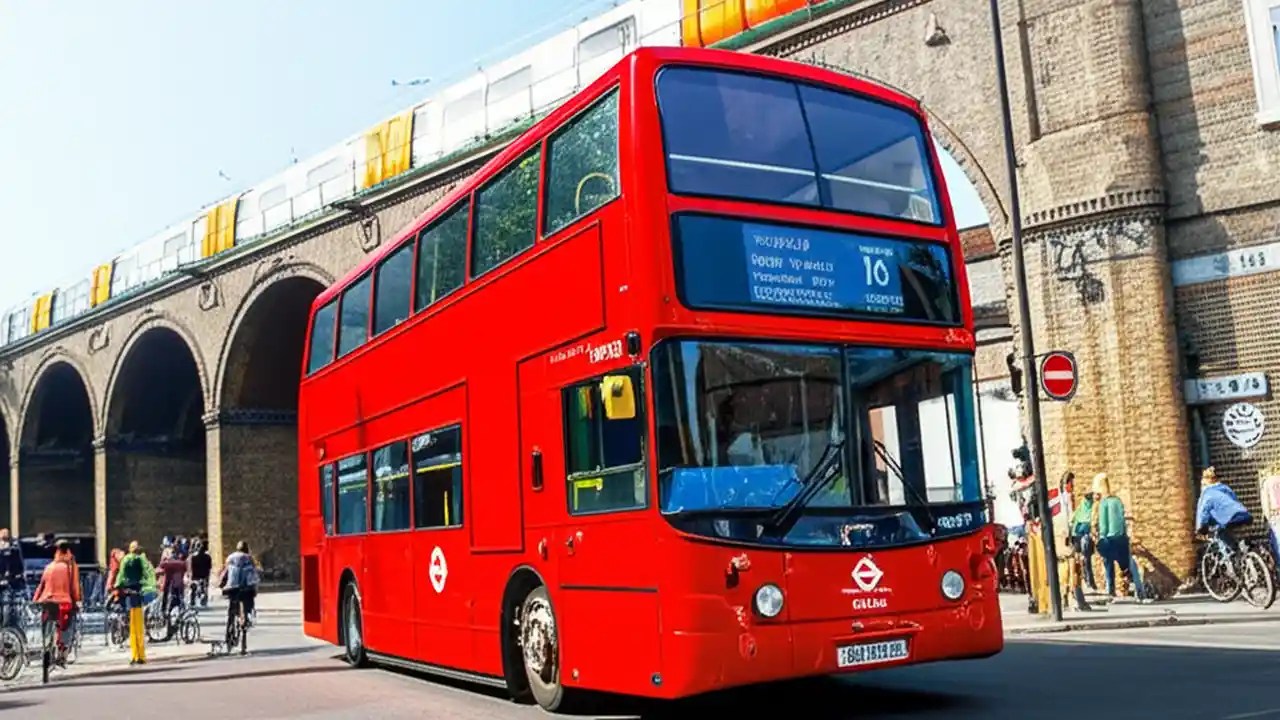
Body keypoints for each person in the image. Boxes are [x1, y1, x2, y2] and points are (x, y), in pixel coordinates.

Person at [31, 540, 81, 665]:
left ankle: (46, 646)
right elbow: (74, 587)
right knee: (67, 626)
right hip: (64, 602)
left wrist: (35, 600)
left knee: (47, 621)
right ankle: (63, 653)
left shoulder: (49, 566)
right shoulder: (70, 567)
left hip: (47, 601)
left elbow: (41, 585)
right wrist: (77, 601)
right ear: (68, 552)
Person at [114, 541, 154, 665]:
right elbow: (148, 575)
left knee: (132, 626)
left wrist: (117, 586)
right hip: (139, 593)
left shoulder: (125, 560)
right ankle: (142, 655)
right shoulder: (142, 560)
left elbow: (120, 576)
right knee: (140, 626)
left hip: (130, 594)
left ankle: (135, 655)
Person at [1093, 472, 1133, 598]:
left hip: (1108, 538)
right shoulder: (1117, 500)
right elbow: (1122, 519)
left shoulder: (1103, 503)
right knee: (1124, 565)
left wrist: (1101, 537)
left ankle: (1111, 589)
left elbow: (1103, 524)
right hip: (1121, 537)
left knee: (1108, 564)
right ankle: (1126, 588)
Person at [1195, 467, 1253, 550]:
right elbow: (1234, 501)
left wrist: (1201, 529)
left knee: (1221, 533)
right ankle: (1246, 552)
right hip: (1244, 514)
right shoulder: (1225, 488)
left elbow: (1203, 512)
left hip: (1230, 518)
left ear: (1204, 482)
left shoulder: (1207, 493)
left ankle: (1234, 552)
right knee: (1231, 533)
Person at [218, 541, 260, 650]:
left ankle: (228, 635)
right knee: (247, 607)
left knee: (231, 612)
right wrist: (255, 589)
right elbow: (254, 575)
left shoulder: (230, 558)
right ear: (246, 549)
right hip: (246, 588)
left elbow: (224, 573)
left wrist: (222, 585)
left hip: (232, 588)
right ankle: (246, 619)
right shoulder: (250, 559)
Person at [0, 529, 26, 630]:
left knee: (8, 611)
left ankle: (6, 631)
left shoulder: (13, 550)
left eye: (6, 539)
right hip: (6, 584)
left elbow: (20, 567)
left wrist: (12, 576)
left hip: (8, 585)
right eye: (2, 539)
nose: (4, 543)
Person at [158, 547, 186, 617]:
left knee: (165, 599)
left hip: (169, 586)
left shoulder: (167, 563)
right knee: (180, 600)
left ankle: (163, 612)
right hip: (179, 586)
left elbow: (161, 566)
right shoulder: (182, 563)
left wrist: (165, 558)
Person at [188, 540, 212, 608]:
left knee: (193, 588)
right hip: (204, 575)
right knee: (204, 589)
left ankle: (192, 602)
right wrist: (208, 576)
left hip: (195, 575)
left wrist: (190, 575)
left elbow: (190, 567)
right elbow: (209, 567)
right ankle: (203, 602)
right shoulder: (208, 556)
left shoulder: (193, 557)